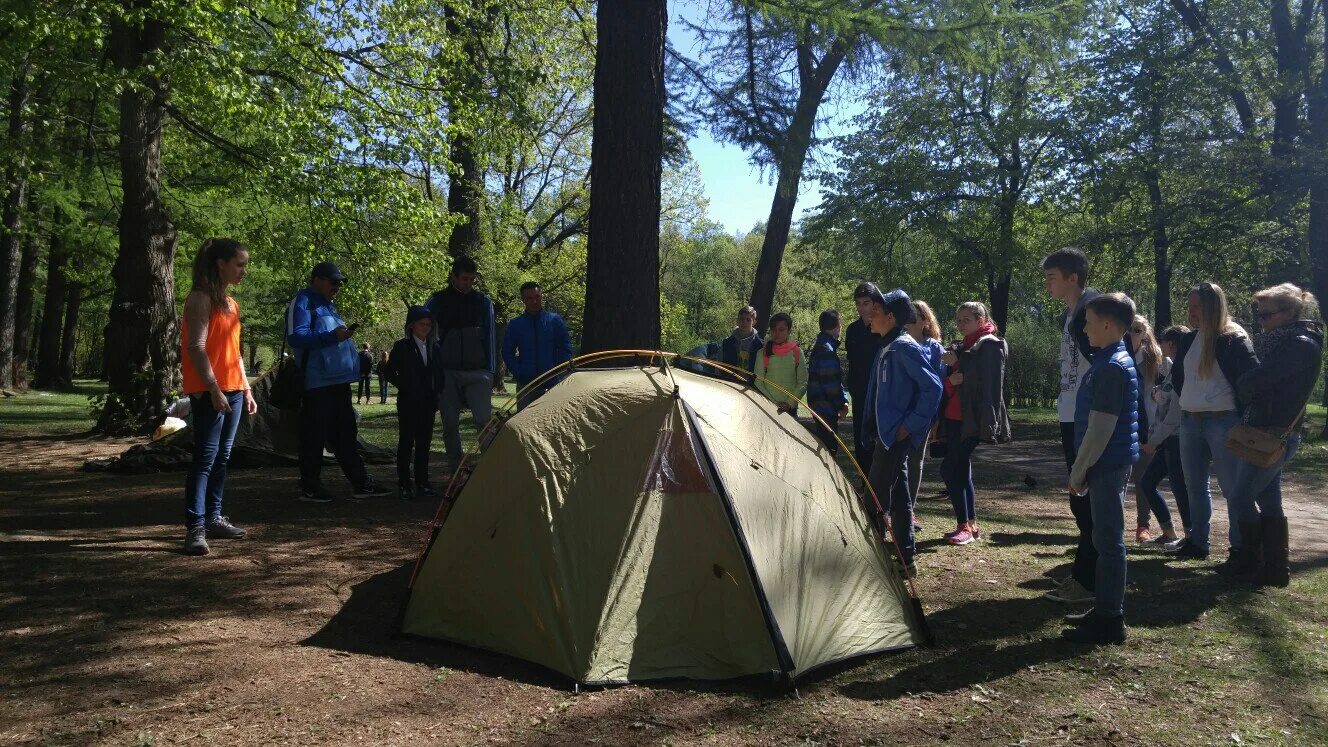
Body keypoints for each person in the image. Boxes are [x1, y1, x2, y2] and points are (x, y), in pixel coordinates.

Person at [1227, 284, 1322, 586]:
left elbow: (1259, 381)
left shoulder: (1300, 345)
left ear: (1290, 312)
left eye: (1267, 315)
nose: (1261, 321)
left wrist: (1244, 382)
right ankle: (1274, 567)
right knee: (1269, 499)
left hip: (1276, 432)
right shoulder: (1283, 342)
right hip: (1265, 429)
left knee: (1241, 495)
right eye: (1260, 315)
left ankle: (1253, 560)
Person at [1062, 292, 1140, 645]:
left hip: (1106, 463)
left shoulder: (1111, 367)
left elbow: (1101, 428)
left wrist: (1079, 471)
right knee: (1105, 537)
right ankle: (1106, 608)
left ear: (1107, 325)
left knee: (1109, 541)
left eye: (1089, 322)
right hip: (1108, 462)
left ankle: (1110, 618)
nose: (1084, 328)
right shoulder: (1109, 359)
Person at [1166, 281, 1258, 565]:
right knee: (1194, 486)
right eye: (1190, 306)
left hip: (1223, 422)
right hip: (1190, 421)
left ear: (1212, 306)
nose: (1191, 312)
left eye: (1197, 306)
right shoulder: (1189, 339)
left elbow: (1251, 379)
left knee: (1233, 489)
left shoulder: (1232, 338)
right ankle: (1198, 542)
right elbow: (1181, 379)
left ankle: (1241, 549)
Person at [286, 262, 390, 502]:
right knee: (314, 435)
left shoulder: (330, 307)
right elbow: (296, 337)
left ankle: (361, 483)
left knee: (346, 433)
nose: (337, 287)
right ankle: (310, 486)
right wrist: (332, 336)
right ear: (316, 279)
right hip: (316, 383)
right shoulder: (302, 302)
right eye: (333, 282)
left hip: (339, 382)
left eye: (340, 283)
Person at [179, 238, 256, 555]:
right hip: (210, 390)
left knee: (223, 457)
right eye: (239, 264)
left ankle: (214, 517)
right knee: (205, 460)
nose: (243, 271)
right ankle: (195, 528)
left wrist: (247, 388)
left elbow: (235, 352)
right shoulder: (199, 299)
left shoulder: (231, 304)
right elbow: (196, 348)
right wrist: (213, 389)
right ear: (220, 264)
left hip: (235, 390)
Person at [860, 287, 942, 579]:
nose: (870, 316)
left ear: (891, 317)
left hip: (895, 438)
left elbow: (933, 388)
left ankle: (868, 563)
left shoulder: (904, 347)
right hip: (885, 435)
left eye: (877, 311)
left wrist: (909, 425)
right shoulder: (887, 345)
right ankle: (907, 560)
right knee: (900, 499)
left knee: (873, 502)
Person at [1041, 248, 1101, 605]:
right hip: (1071, 413)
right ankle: (1083, 575)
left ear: (1072, 278)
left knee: (1086, 499)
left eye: (1051, 277)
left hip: (1085, 416)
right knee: (1079, 498)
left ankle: (1090, 581)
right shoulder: (1073, 312)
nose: (1047, 285)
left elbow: (1103, 364)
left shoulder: (1091, 310)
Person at [939, 301, 1010, 546]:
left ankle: (965, 526)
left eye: (966, 320)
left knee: (950, 469)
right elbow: (952, 380)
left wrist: (958, 372)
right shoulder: (966, 344)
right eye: (958, 320)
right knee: (960, 469)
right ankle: (971, 525)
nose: (960, 325)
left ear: (981, 320)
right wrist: (952, 374)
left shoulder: (990, 345)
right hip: (955, 417)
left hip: (973, 419)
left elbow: (990, 384)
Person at [425, 256, 497, 463]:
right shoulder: (436, 300)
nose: (468, 283)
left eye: (472, 279)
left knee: (484, 420)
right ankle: (455, 469)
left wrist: (490, 371)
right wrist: (432, 369)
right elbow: (422, 330)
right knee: (449, 424)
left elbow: (491, 336)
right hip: (447, 371)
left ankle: (490, 467)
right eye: (464, 279)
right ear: (453, 277)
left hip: (478, 372)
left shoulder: (483, 302)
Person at [1137, 325, 1192, 546]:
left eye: (1164, 341)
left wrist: (1154, 440)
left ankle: (1191, 536)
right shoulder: (1172, 368)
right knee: (1147, 482)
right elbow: (1166, 396)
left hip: (1176, 438)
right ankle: (1169, 533)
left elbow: (1175, 414)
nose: (1160, 344)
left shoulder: (1182, 369)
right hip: (1167, 439)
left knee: (1180, 488)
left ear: (1173, 343)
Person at [384, 307, 444, 500]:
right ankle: (404, 482)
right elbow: (389, 371)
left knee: (424, 443)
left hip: (428, 402)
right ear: (412, 326)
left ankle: (422, 482)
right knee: (406, 441)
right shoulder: (402, 346)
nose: (425, 328)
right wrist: (406, 386)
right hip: (409, 401)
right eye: (422, 324)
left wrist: (437, 393)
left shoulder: (434, 346)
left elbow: (439, 373)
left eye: (428, 324)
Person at [1128, 316, 1177, 544]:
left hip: (1148, 427)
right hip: (1123, 424)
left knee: (1142, 479)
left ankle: (1143, 526)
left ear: (1147, 333)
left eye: (1137, 330)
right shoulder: (1118, 356)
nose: (1132, 335)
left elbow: (1169, 396)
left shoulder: (1158, 361)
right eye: (1128, 330)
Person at [904, 300, 946, 529]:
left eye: (914, 317)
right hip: (900, 414)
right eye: (906, 317)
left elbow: (938, 385)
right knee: (895, 462)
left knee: (915, 462)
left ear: (925, 321)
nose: (909, 322)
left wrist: (935, 420)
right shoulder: (900, 345)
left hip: (924, 416)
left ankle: (909, 510)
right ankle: (892, 510)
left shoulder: (935, 348)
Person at [501, 281, 573, 409]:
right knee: (524, 424)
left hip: (552, 384)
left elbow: (566, 348)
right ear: (523, 300)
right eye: (529, 298)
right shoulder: (515, 324)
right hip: (526, 386)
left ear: (541, 296)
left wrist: (558, 370)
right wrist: (519, 372)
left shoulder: (554, 320)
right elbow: (507, 352)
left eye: (537, 297)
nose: (534, 301)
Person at [846, 283, 886, 472]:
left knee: (878, 440)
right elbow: (852, 362)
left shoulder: (884, 328)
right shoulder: (852, 330)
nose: (862, 308)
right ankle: (865, 484)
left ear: (876, 303)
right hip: (860, 392)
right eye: (859, 303)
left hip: (881, 393)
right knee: (860, 438)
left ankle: (879, 487)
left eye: (866, 303)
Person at [807, 309, 850, 452]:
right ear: (838, 328)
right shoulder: (827, 350)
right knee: (829, 449)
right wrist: (842, 404)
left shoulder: (821, 346)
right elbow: (831, 384)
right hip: (825, 408)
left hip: (818, 405)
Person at [754, 312, 808, 414]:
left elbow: (803, 382)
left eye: (781, 330)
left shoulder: (797, 352)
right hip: (767, 407)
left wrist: (789, 403)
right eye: (773, 330)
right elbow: (758, 381)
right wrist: (773, 403)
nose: (776, 333)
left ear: (789, 331)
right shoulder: (762, 353)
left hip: (790, 409)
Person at [720, 305, 764, 378]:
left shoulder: (760, 345)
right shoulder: (727, 343)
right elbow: (719, 366)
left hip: (751, 386)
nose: (744, 322)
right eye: (741, 319)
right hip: (729, 383)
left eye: (748, 320)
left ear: (754, 322)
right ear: (737, 320)